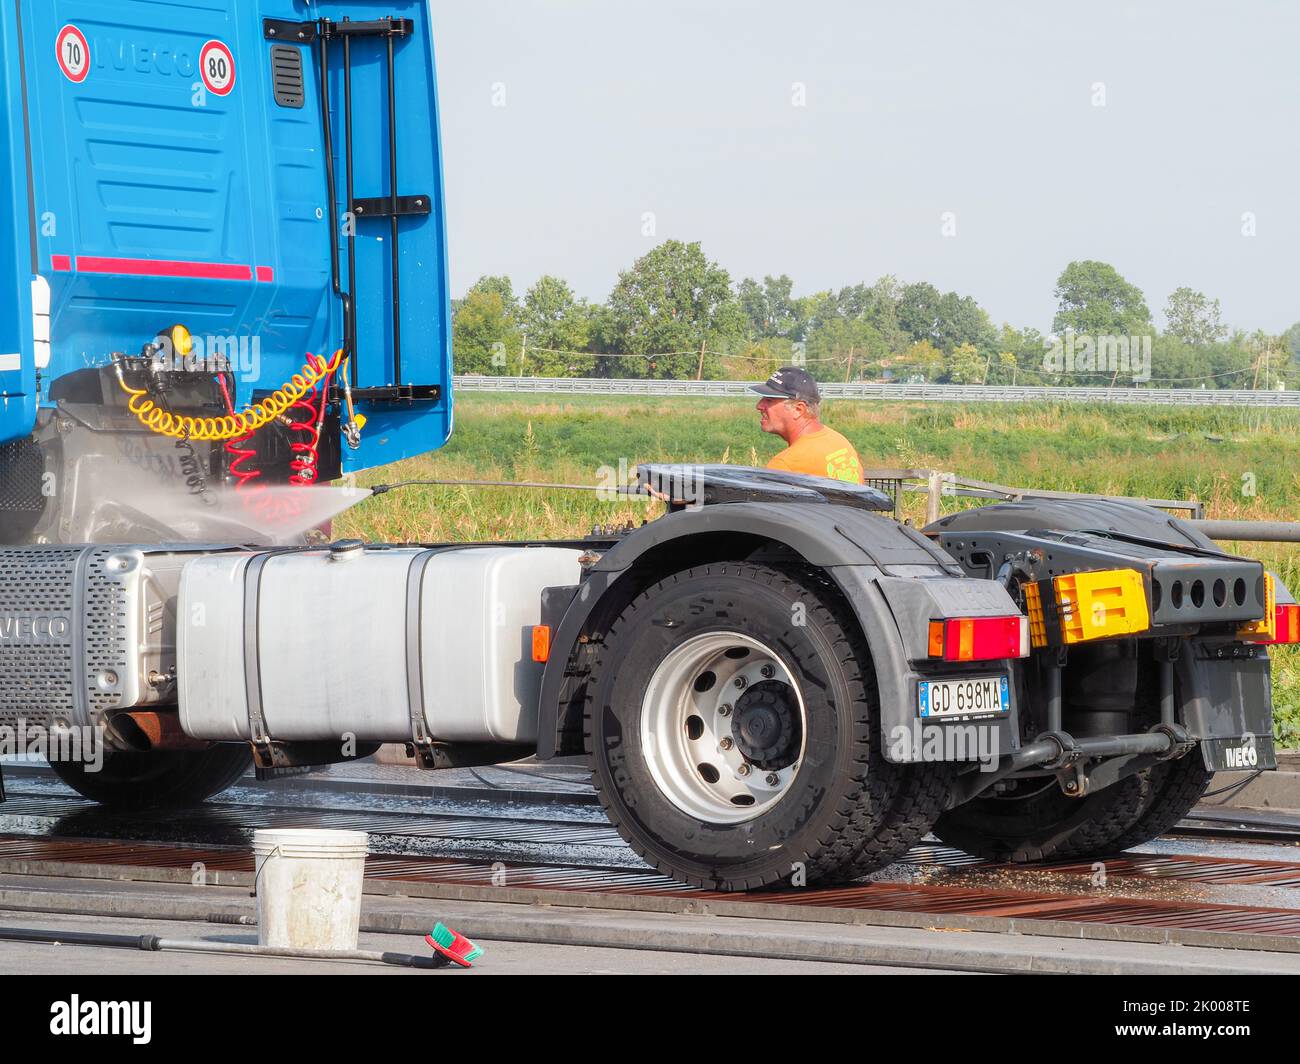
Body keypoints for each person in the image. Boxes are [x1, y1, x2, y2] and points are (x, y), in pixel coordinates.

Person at [750, 366, 863, 483]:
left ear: (798, 409)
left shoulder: (785, 466)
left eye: (769, 400)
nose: (759, 406)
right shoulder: (839, 441)